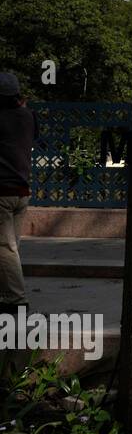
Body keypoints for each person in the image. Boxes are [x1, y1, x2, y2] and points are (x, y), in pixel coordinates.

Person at [0, 72, 38, 315]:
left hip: (2, 192)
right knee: (12, 248)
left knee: (4, 247)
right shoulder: (27, 116)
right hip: (21, 192)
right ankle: (8, 296)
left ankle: (16, 301)